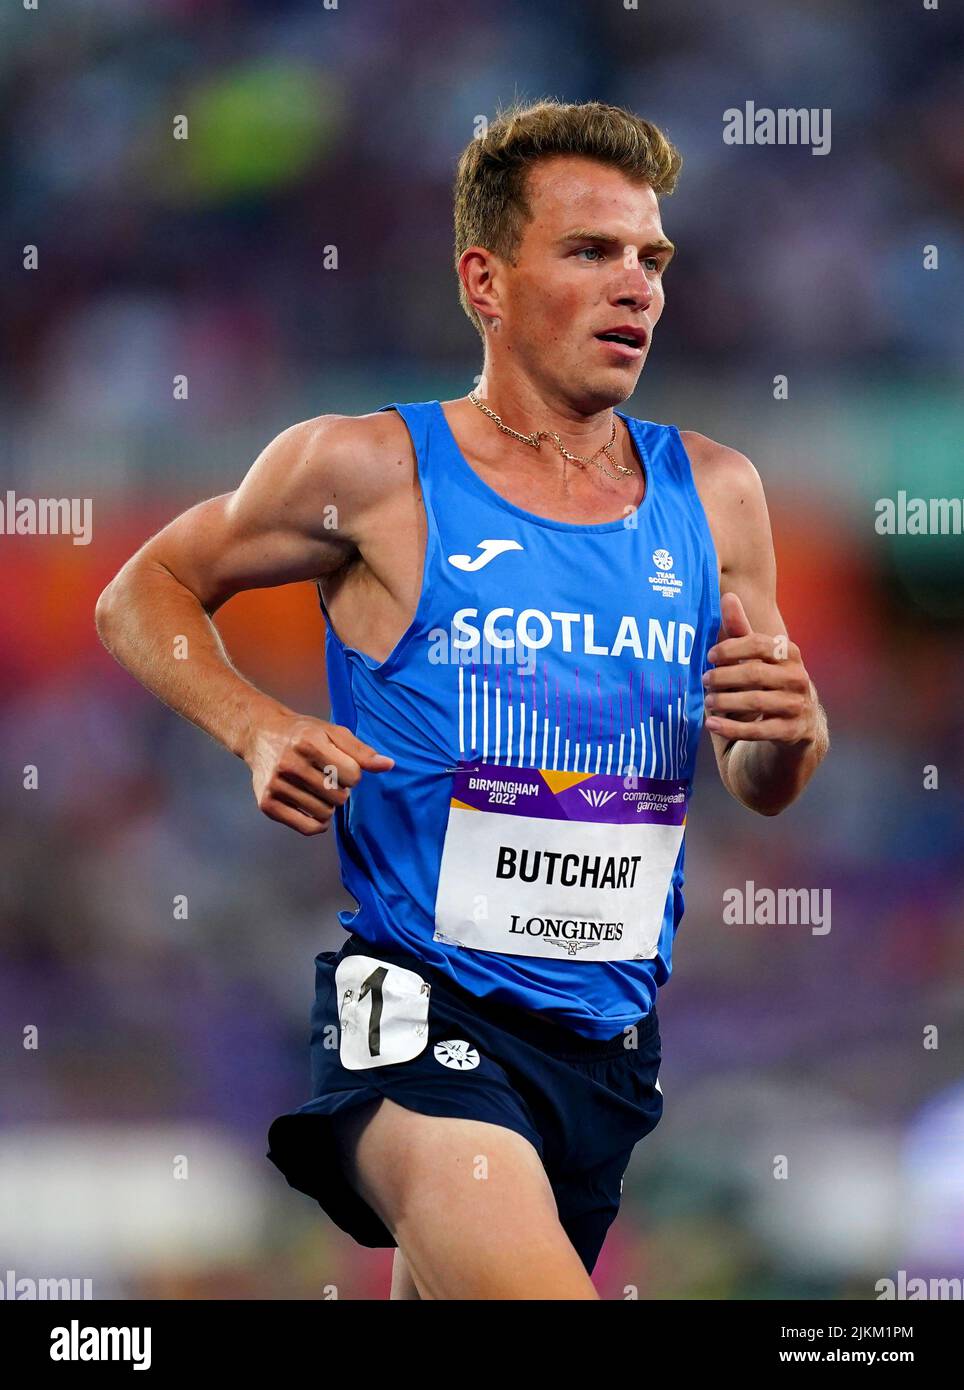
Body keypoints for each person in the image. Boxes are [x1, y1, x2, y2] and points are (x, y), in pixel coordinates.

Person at [94, 98, 829, 1300]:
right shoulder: (369, 470)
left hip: (605, 1045)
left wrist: (790, 734)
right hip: (420, 1016)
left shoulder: (718, 492)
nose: (635, 285)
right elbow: (144, 590)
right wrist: (257, 723)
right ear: (483, 280)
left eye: (650, 258)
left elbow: (762, 776)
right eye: (591, 252)